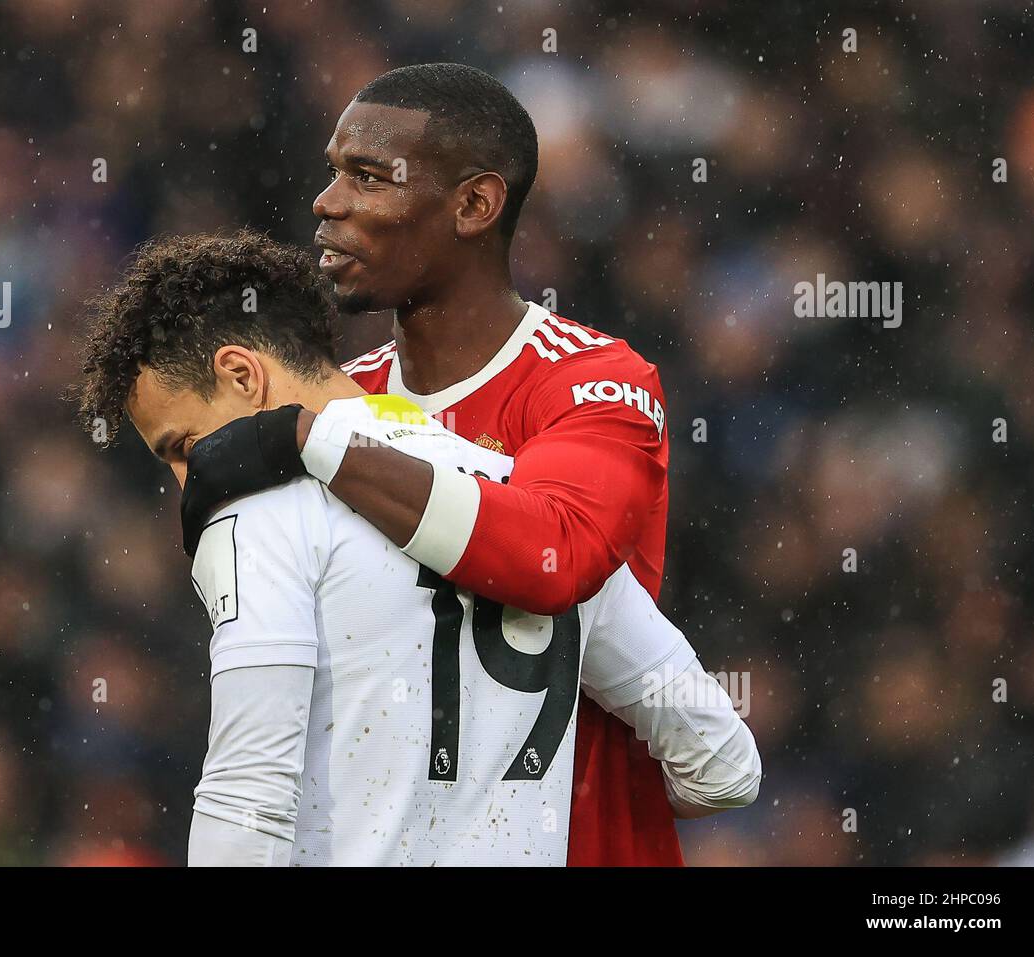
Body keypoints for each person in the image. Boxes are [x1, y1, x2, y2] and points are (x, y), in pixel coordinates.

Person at [73, 230, 760, 866]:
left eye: (184, 447)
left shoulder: (257, 517)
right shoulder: (514, 500)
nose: (187, 483)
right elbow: (725, 765)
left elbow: (246, 793)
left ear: (243, 374)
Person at [180, 63, 686, 865]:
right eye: (333, 171)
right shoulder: (351, 398)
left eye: (369, 177)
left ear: (475, 205)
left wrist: (315, 443)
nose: (327, 201)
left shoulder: (596, 384)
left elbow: (556, 555)